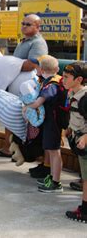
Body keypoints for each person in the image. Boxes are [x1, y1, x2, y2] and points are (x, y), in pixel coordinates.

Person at [0, 13, 48, 161]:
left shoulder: (38, 43)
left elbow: (32, 65)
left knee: (28, 121)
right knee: (11, 115)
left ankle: (35, 155)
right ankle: (8, 148)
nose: (24, 26)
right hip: (16, 84)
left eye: (28, 24)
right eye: (23, 23)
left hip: (28, 89)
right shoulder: (24, 41)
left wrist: (8, 65)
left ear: (37, 27)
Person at [24, 56, 63, 193]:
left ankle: (56, 182)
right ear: (57, 69)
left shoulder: (50, 85)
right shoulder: (55, 80)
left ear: (41, 69)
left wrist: (26, 106)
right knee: (52, 151)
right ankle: (52, 178)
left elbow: (37, 103)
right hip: (52, 122)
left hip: (53, 123)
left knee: (54, 151)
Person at [62, 62, 87, 223]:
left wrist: (85, 137)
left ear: (78, 79)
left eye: (66, 77)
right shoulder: (74, 94)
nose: (63, 80)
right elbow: (76, 118)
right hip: (79, 140)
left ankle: (85, 212)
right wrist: (68, 131)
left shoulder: (84, 98)